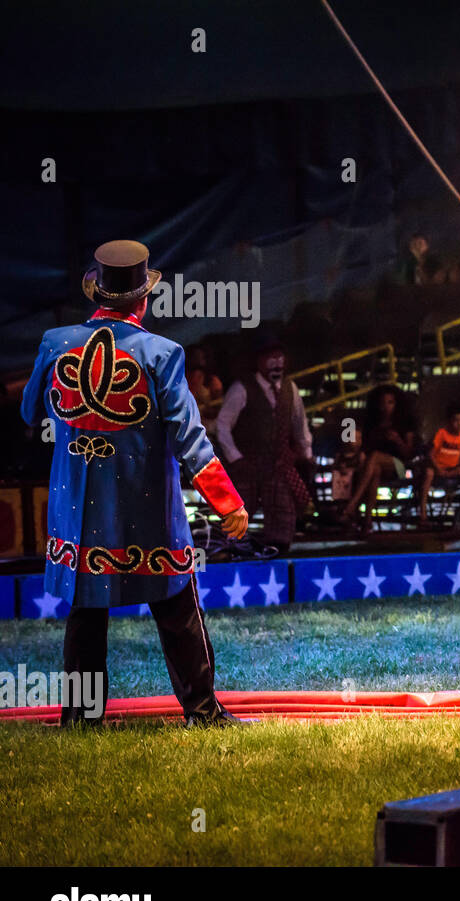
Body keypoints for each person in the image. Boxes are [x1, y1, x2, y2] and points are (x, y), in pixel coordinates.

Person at [20, 240, 248, 727]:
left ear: (96, 294)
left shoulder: (55, 342)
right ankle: (203, 713)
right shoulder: (163, 353)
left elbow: (28, 412)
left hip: (78, 510)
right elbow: (190, 438)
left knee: (86, 613)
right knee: (175, 606)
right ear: (143, 299)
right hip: (147, 510)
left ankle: (81, 719)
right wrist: (227, 503)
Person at [215, 338, 314, 555]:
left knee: (282, 513)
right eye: (271, 358)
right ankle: (229, 554)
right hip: (247, 465)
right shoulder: (242, 388)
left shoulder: (290, 388)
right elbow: (222, 425)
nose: (276, 363)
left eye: (279, 358)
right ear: (260, 361)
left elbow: (300, 423)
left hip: (277, 464)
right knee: (238, 512)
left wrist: (306, 453)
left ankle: (277, 555)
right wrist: (235, 457)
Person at [340, 385, 418, 534]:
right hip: (376, 467)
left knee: (374, 458)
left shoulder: (405, 423)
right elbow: (365, 447)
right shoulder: (373, 423)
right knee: (374, 468)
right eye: (383, 403)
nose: (386, 407)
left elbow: (409, 453)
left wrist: (397, 440)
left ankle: (352, 506)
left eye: (390, 402)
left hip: (400, 467)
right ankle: (367, 520)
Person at [417, 404, 460, 528]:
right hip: (436, 467)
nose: (459, 424)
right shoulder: (442, 434)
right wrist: (438, 469)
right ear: (449, 421)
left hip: (452, 470)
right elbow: (431, 455)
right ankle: (423, 513)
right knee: (428, 473)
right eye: (455, 420)